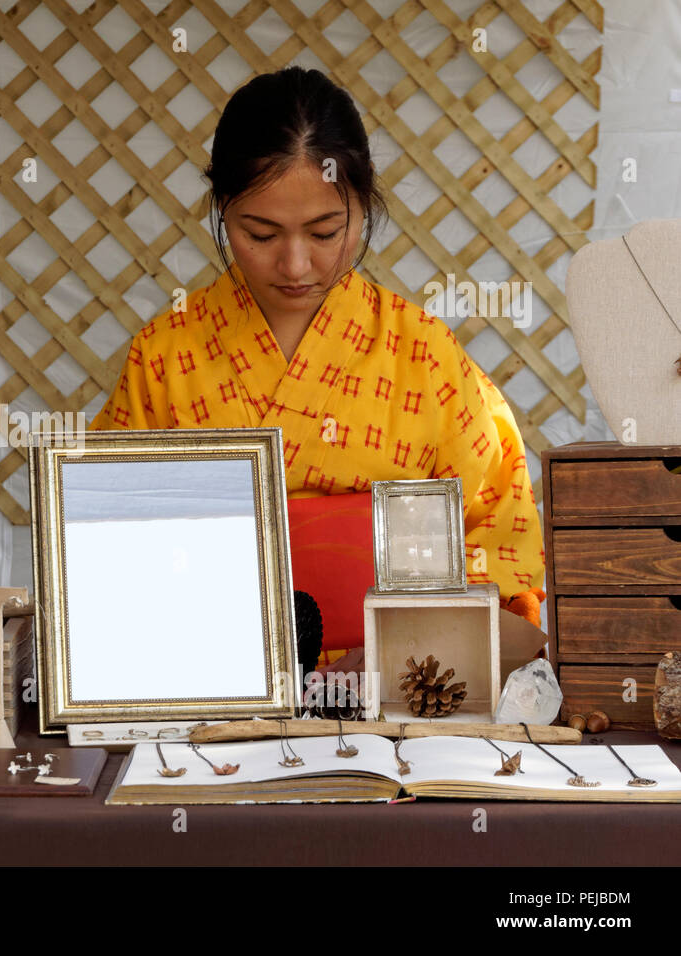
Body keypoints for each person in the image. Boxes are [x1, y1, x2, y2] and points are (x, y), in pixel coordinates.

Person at [88, 66, 545, 619]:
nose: (296, 264)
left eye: (326, 232)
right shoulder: (162, 357)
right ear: (221, 205)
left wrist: (410, 647)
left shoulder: (424, 352)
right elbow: (102, 540)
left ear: (364, 201)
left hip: (404, 683)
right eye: (261, 234)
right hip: (214, 674)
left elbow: (501, 545)